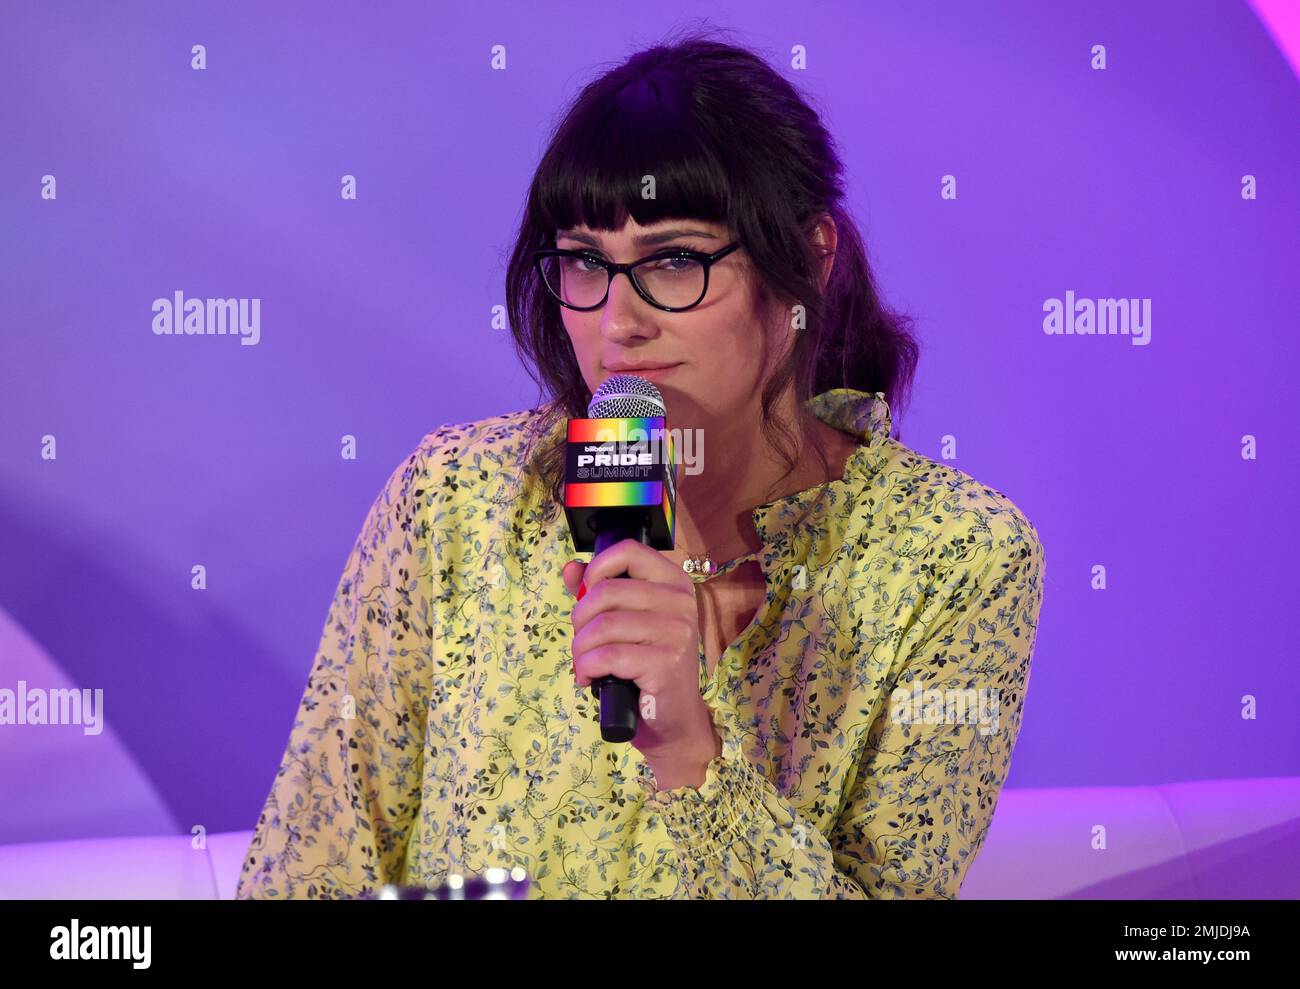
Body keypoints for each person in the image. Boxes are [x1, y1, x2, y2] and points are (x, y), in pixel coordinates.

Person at [235, 30, 1045, 900]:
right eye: (586, 261)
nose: (618, 321)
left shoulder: (957, 555)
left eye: (673, 261)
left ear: (809, 255)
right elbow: (309, 872)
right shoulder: (456, 498)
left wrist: (692, 751)